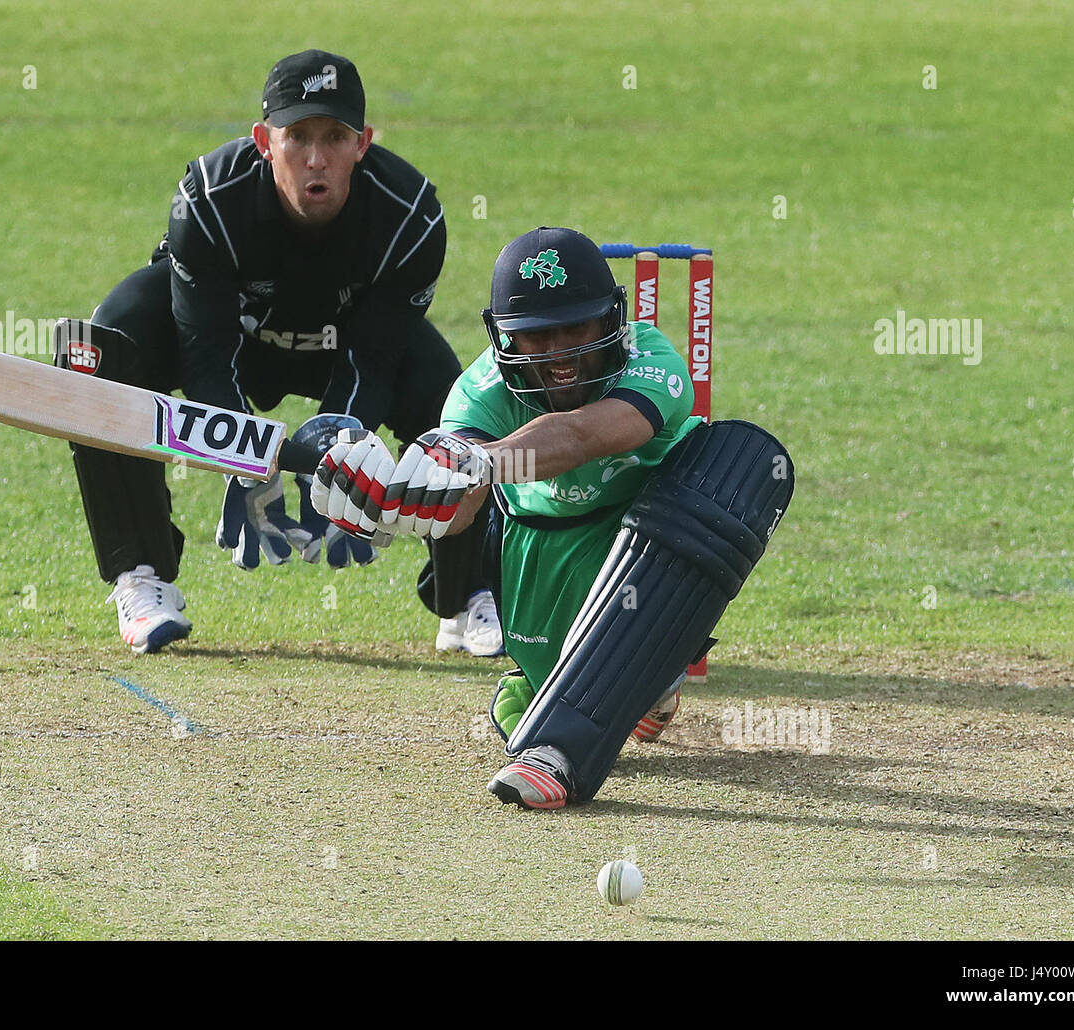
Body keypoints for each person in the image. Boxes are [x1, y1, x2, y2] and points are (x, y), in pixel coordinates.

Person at [312, 227, 795, 808]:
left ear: (610, 320)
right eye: (539, 337)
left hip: (649, 534)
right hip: (538, 547)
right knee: (536, 698)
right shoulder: (476, 393)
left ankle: (594, 720)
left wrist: (483, 459)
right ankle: (615, 686)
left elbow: (587, 435)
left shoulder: (652, 357)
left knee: (729, 468)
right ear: (505, 340)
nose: (561, 352)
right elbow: (463, 509)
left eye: (578, 329)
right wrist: (406, 505)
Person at [52, 49, 499, 656]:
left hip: (342, 344)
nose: (316, 158)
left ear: (363, 143)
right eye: (298, 137)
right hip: (225, 336)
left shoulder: (410, 220)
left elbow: (374, 361)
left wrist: (338, 465)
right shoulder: (209, 200)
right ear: (264, 140)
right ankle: (142, 578)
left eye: (335, 137)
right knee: (99, 348)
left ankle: (466, 594)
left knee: (457, 403)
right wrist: (249, 463)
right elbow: (206, 354)